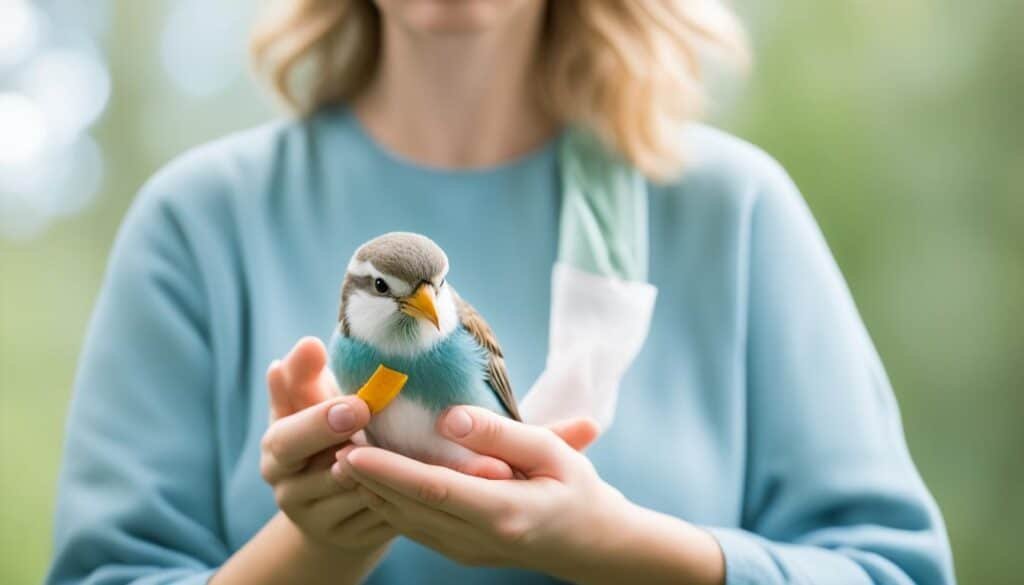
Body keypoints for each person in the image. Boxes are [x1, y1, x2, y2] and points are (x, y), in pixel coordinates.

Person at [46, 1, 955, 584]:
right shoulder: (196, 223)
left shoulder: (736, 211)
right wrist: (320, 543)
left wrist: (624, 550)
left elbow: (892, 571)